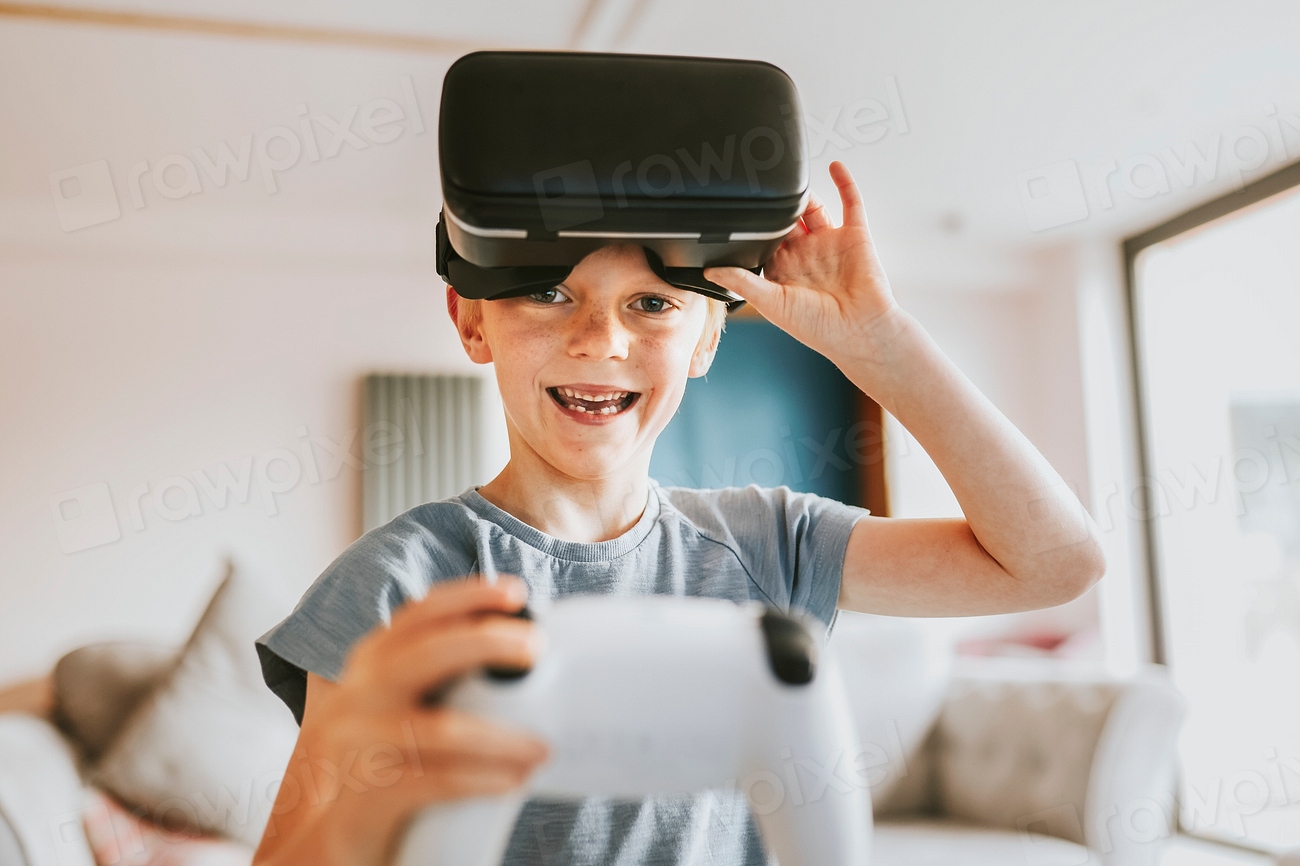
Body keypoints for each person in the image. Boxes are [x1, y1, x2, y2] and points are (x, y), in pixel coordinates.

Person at [251, 161, 1105, 866]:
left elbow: (1054, 562)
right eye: (548, 293)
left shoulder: (770, 544)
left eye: (652, 304)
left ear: (706, 341)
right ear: (473, 320)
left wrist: (879, 344)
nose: (601, 340)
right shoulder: (395, 585)